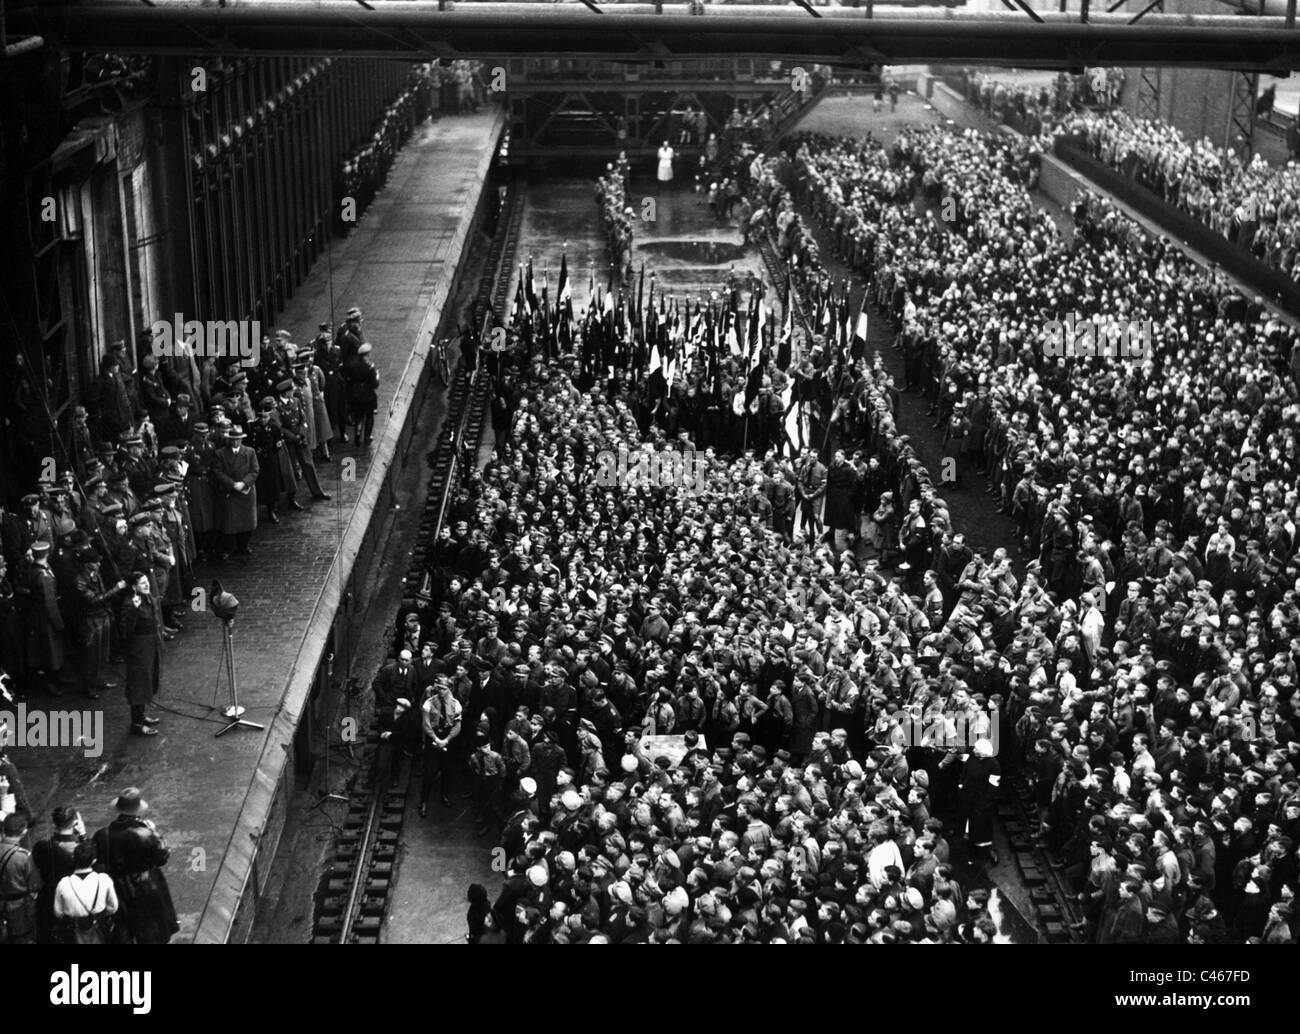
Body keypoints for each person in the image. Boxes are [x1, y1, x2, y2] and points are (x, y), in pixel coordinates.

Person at [92, 788, 179, 945]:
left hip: (117, 886)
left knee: (124, 926)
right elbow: (163, 856)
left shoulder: (102, 835)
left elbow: (98, 860)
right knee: (152, 927)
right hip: (146, 884)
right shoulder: (146, 834)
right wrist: (154, 831)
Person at [118, 571, 163, 736]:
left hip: (150, 645)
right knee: (138, 685)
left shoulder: (147, 597)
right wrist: (134, 610)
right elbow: (125, 629)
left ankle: (142, 716)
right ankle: (137, 724)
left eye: (147, 581)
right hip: (138, 649)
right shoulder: (130, 603)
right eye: (142, 583)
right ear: (133, 586)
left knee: (148, 681)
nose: (147, 584)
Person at [53, 840, 119, 945]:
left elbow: (58, 913)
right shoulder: (104, 879)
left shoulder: (64, 883)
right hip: (98, 928)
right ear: (94, 861)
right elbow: (113, 907)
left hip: (73, 930)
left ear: (74, 859)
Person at [211, 426, 259, 559]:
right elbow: (217, 472)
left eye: (238, 439)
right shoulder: (220, 453)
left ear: (241, 439)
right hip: (230, 492)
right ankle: (229, 548)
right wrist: (232, 484)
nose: (235, 442)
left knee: (247, 522)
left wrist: (244, 483)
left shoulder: (250, 452)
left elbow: (254, 470)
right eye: (233, 439)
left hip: (246, 492)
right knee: (230, 523)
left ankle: (244, 545)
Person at [0, 812, 39, 944]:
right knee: (22, 937)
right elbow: (35, 884)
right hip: (19, 906)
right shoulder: (23, 856)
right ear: (24, 832)